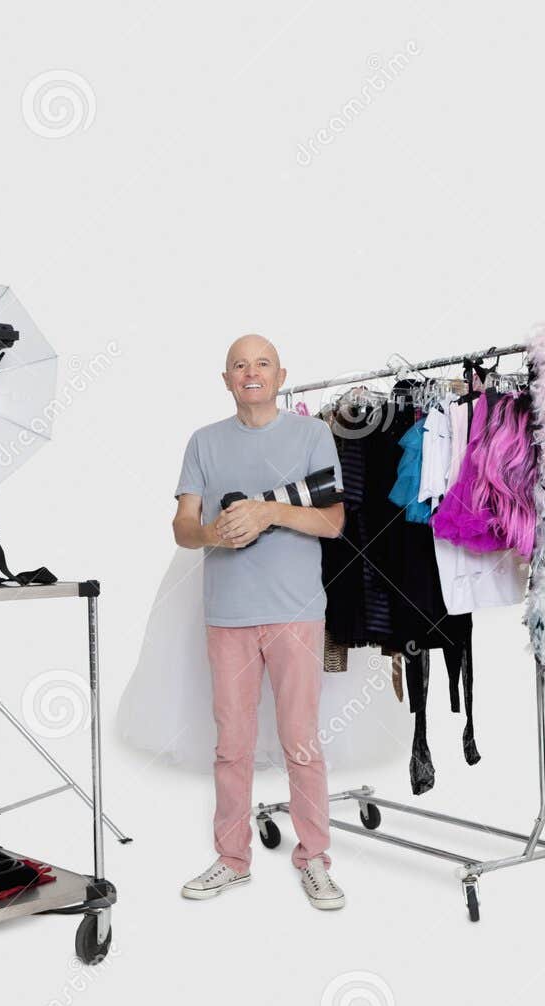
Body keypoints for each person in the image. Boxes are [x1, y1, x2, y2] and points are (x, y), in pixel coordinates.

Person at [172, 334, 347, 911]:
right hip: (228, 615)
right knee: (231, 746)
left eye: (263, 363)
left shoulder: (312, 434)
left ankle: (314, 858)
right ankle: (232, 860)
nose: (252, 372)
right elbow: (183, 527)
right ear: (226, 379)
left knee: (302, 742)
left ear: (280, 376)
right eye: (240, 365)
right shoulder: (203, 441)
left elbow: (334, 522)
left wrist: (270, 512)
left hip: (296, 611)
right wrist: (214, 532)